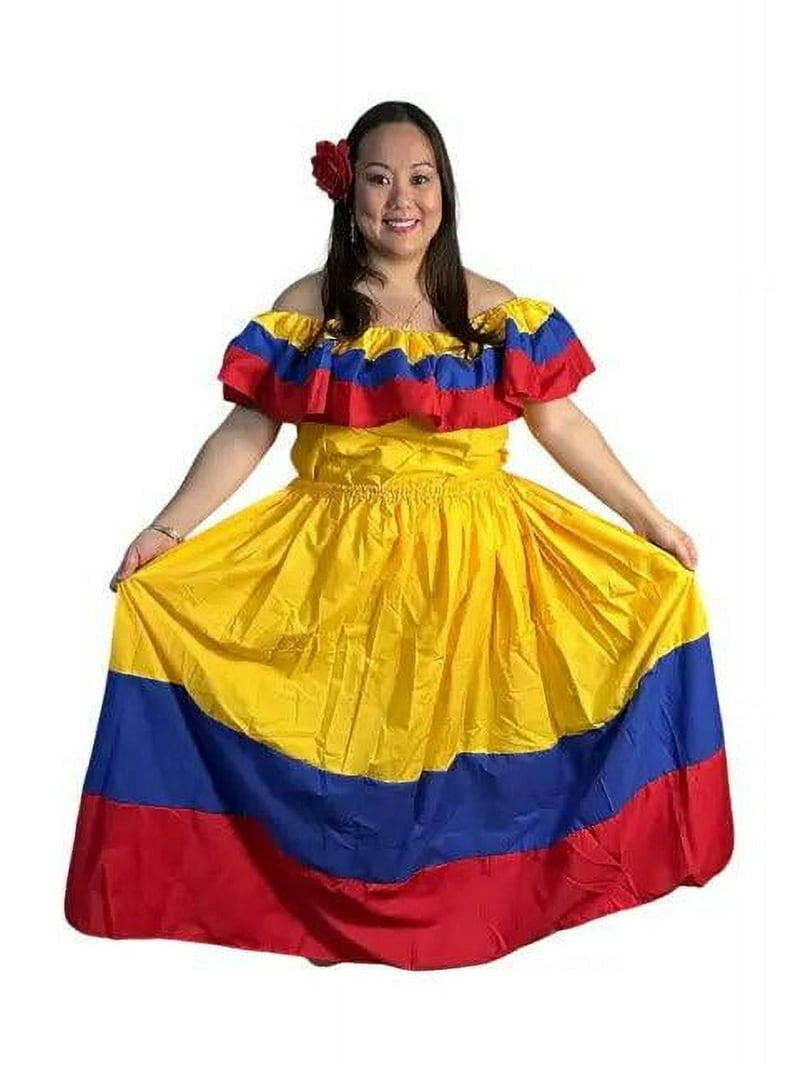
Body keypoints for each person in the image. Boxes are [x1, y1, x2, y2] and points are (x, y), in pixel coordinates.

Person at [63, 100, 734, 971]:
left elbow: (560, 423)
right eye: (379, 178)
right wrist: (168, 526)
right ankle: (325, 901)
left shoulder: (493, 311)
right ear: (349, 194)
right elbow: (247, 429)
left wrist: (648, 519)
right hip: (335, 566)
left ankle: (475, 908)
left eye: (421, 178)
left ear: (446, 190)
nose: (401, 199)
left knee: (470, 750)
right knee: (350, 747)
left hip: (476, 570)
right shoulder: (311, 307)